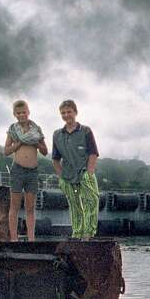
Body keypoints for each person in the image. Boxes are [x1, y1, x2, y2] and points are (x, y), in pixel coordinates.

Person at [52, 99, 99, 239]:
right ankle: (77, 233)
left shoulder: (85, 131)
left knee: (91, 202)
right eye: (63, 113)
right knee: (74, 205)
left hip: (84, 173)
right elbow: (55, 159)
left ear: (75, 112)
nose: (66, 115)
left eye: (69, 112)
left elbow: (93, 153)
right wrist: (61, 177)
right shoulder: (57, 135)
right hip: (68, 176)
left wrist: (89, 173)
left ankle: (88, 234)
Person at [4, 99, 48, 241]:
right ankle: (14, 239)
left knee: (30, 208)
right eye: (18, 113)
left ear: (28, 112)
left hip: (32, 172)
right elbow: (6, 151)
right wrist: (18, 144)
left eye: (24, 112)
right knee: (14, 206)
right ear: (14, 114)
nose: (21, 115)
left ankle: (31, 239)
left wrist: (36, 143)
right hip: (17, 170)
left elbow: (45, 151)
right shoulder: (13, 130)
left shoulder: (36, 130)